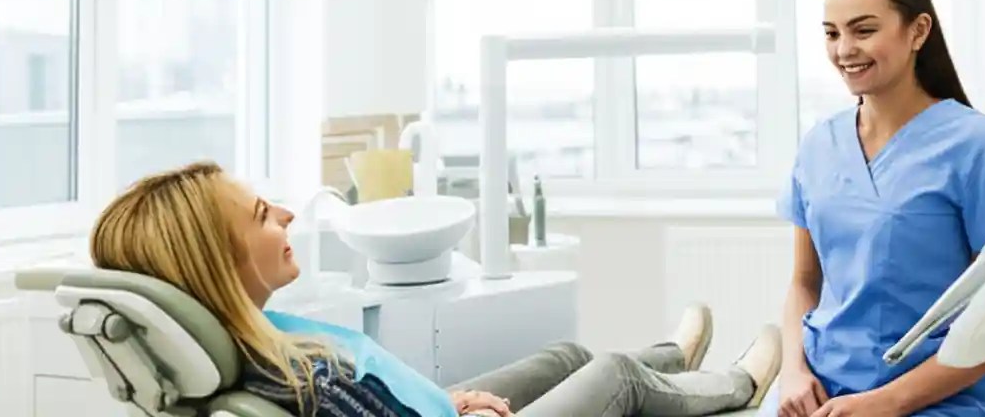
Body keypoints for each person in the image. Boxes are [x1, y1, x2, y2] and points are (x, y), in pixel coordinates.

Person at [89, 161, 783, 417]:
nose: (287, 214)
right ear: (215, 259)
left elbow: (380, 402)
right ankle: (735, 388)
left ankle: (674, 361)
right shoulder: (293, 379)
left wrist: (448, 400)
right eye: (262, 214)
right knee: (613, 376)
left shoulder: (271, 348)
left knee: (568, 356)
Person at [767, 0, 985, 417]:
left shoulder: (982, 149)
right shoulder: (819, 145)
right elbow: (804, 282)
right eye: (832, 33)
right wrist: (791, 371)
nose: (844, 49)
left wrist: (886, 403)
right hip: (818, 396)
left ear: (918, 31)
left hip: (934, 403)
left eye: (863, 30)